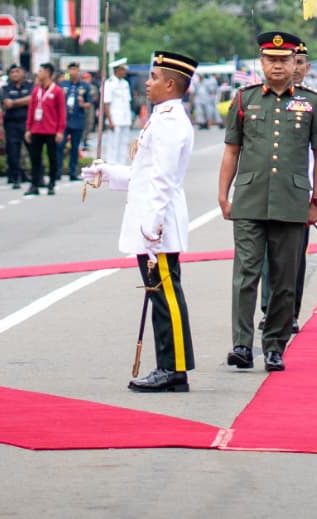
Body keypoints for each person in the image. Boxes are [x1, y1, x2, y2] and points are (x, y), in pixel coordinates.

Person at [85, 51, 201, 392]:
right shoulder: (161, 118)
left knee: (166, 296)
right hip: (154, 219)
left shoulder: (169, 122)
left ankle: (174, 369)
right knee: (159, 295)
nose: (147, 83)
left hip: (158, 223)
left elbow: (163, 179)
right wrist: (108, 172)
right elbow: (144, 174)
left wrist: (152, 226)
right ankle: (169, 365)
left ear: (171, 84)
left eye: (153, 77)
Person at [217, 30, 317, 373]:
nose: (277, 65)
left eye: (284, 59)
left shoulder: (311, 103)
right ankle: (241, 344)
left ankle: (275, 346)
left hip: (292, 201)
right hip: (250, 198)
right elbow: (232, 150)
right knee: (245, 274)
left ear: (296, 63)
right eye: (271, 59)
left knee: (284, 279)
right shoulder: (245, 99)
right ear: (262, 62)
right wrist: (223, 194)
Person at [25, 65, 68, 194]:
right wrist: (28, 128)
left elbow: (62, 112)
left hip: (51, 130)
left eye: (41, 71)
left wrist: (60, 130)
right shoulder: (36, 91)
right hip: (36, 129)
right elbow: (31, 110)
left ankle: (52, 184)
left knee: (52, 158)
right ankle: (34, 185)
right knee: (35, 158)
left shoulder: (57, 91)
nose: (38, 73)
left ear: (48, 73)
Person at [0, 64, 35, 187]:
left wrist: (14, 102)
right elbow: (7, 104)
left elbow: (32, 99)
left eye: (17, 71)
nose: (14, 74)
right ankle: (15, 178)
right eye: (12, 72)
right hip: (11, 123)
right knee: (13, 152)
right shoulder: (5, 88)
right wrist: (22, 102)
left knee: (34, 150)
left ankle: (37, 176)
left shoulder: (30, 86)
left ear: (23, 73)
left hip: (27, 123)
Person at [104, 63, 135, 159]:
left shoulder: (125, 83)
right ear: (116, 70)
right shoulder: (109, 83)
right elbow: (106, 103)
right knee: (113, 144)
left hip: (125, 119)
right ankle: (112, 164)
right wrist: (110, 120)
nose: (125, 72)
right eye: (123, 70)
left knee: (124, 143)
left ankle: (121, 164)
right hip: (115, 119)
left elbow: (127, 102)